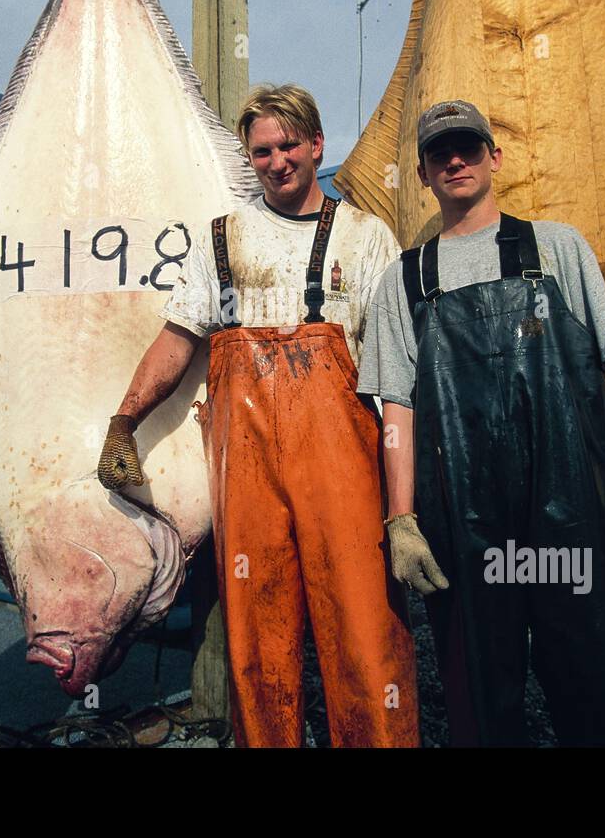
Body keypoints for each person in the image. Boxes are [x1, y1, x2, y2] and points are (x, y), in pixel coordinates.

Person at [97, 84, 419, 747]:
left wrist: (406, 503)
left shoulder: (365, 238)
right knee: (256, 639)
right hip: (247, 473)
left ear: (316, 144)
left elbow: (396, 376)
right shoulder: (222, 239)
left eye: (289, 145)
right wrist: (123, 419)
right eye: (263, 150)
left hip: (344, 472)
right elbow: (178, 338)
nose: (277, 161)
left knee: (364, 629)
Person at [360, 100, 605, 746]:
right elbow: (397, 405)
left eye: (468, 147)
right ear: (424, 173)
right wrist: (401, 518)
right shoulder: (404, 278)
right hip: (464, 520)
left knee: (599, 683)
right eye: (439, 153)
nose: (455, 159)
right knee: (482, 699)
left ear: (494, 158)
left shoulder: (556, 246)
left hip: (570, 511)